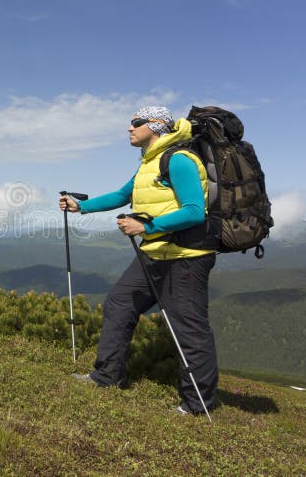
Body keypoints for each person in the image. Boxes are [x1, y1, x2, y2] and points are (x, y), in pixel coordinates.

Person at [59, 106, 218, 416]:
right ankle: (106, 376)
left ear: (156, 125)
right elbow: (122, 195)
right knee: (120, 303)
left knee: (189, 327)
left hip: (186, 258)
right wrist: (81, 207)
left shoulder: (180, 160)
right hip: (154, 253)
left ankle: (197, 404)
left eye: (136, 122)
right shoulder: (148, 163)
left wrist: (146, 227)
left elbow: (194, 211)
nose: (129, 128)